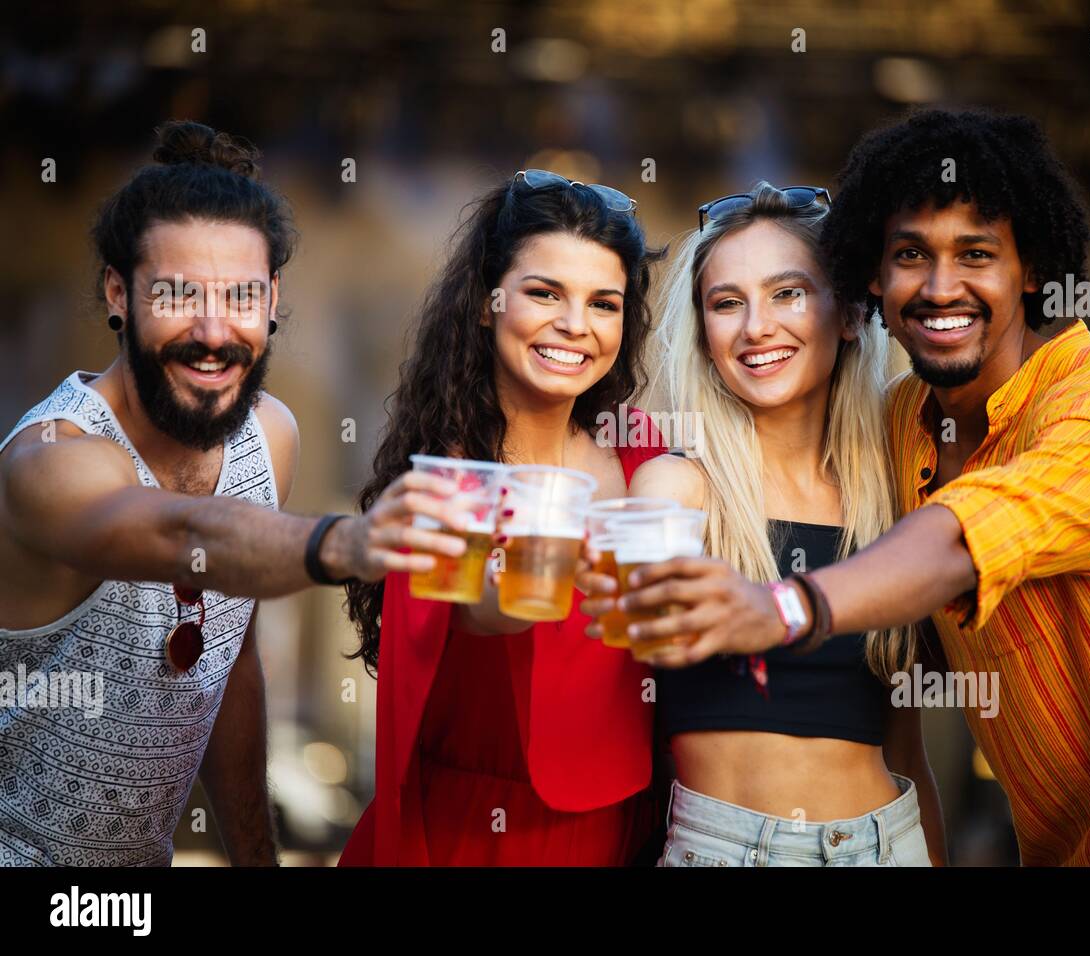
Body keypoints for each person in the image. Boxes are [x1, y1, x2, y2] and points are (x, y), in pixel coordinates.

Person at [615, 109, 1090, 866]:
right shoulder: (901, 428)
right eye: (911, 254)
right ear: (873, 278)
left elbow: (971, 532)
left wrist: (783, 605)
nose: (942, 287)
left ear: (1031, 269)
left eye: (976, 254)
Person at [0, 121, 470, 866]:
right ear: (118, 292)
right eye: (179, 295)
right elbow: (186, 537)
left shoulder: (268, 435)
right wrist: (344, 542)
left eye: (242, 295)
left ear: (274, 298)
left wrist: (257, 860)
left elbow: (230, 662)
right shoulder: (49, 460)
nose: (215, 331)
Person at [579, 182, 945, 867]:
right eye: (727, 303)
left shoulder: (894, 496)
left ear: (847, 314)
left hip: (888, 845)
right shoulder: (679, 484)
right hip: (727, 850)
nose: (756, 328)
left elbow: (906, 748)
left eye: (788, 293)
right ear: (705, 332)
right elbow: (616, 621)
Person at [339, 169, 667, 866]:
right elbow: (481, 611)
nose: (575, 326)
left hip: (617, 832)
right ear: (488, 303)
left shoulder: (646, 453)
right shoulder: (449, 475)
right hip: (464, 836)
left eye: (603, 304)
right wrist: (549, 565)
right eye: (544, 293)